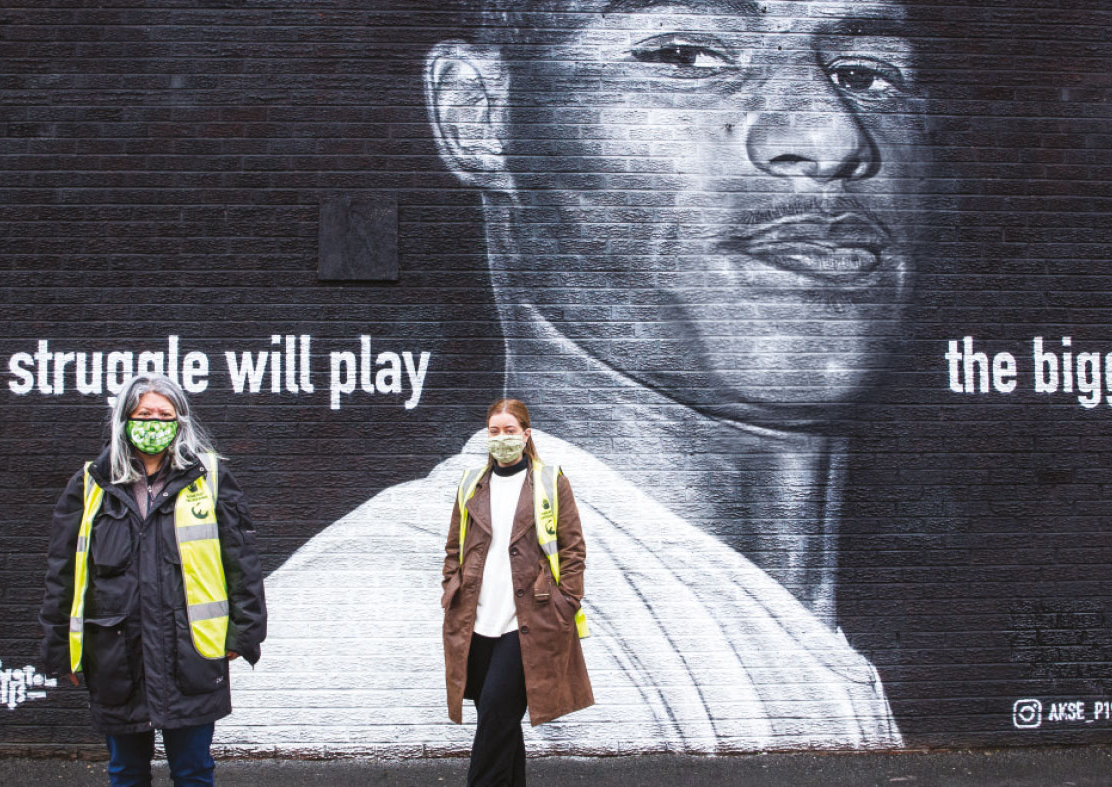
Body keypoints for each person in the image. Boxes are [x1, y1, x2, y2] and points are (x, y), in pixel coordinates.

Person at [219, 0, 923, 752]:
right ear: (479, 116)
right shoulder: (387, 639)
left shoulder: (803, 631)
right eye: (685, 56)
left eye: (867, 72)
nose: (832, 135)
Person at [39, 374, 266, 786]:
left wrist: (244, 634)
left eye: (166, 415)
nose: (155, 423)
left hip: (190, 656)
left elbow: (241, 562)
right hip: (116, 657)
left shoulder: (208, 478)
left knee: (194, 771)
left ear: (180, 422)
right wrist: (61, 648)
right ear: (124, 419)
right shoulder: (92, 483)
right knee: (126, 772)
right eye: (145, 414)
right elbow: (64, 573)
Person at [443, 399, 594, 785]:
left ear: (526, 435)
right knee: (498, 721)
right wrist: (452, 589)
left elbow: (573, 548)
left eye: (510, 431)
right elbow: (453, 550)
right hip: (476, 621)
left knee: (496, 712)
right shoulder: (471, 484)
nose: (502, 439)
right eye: (494, 431)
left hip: (529, 622)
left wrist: (566, 603)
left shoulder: (550, 481)